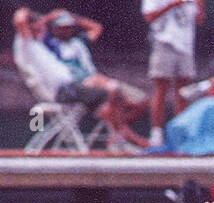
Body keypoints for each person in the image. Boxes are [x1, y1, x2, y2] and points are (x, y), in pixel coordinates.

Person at [12, 8, 150, 151]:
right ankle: (125, 138)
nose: (41, 29)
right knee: (109, 92)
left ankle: (118, 137)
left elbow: (96, 28)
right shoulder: (25, 43)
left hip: (71, 87)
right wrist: (46, 18)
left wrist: (46, 21)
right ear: (29, 27)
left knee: (113, 98)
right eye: (37, 27)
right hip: (62, 91)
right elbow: (21, 17)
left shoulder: (39, 43)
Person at [143, 0, 204, 147]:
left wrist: (200, 6)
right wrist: (172, 4)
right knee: (160, 88)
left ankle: (180, 132)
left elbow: (199, 20)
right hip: (163, 41)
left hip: (186, 45)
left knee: (183, 91)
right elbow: (148, 17)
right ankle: (156, 133)